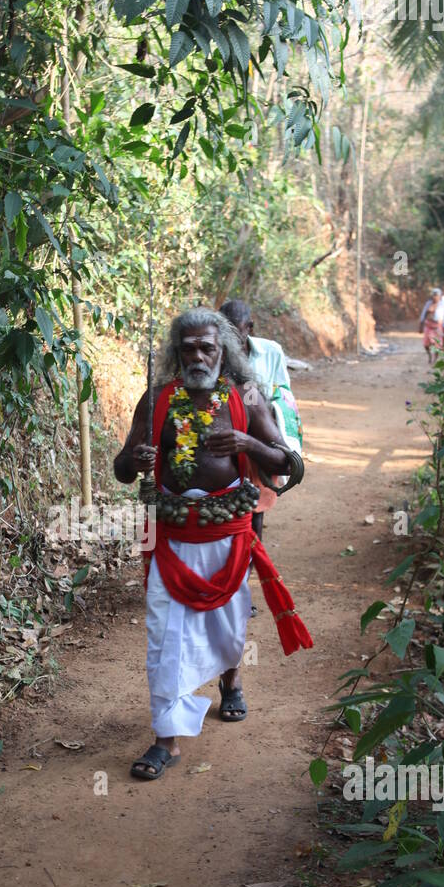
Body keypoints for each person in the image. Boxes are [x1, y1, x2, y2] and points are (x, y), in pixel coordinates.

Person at [113, 307, 312, 781]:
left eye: (208, 347)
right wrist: (135, 459)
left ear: (225, 350)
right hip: (171, 538)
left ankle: (231, 679)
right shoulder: (157, 398)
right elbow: (122, 468)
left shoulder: (246, 396)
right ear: (176, 352)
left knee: (227, 632)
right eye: (189, 348)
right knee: (164, 638)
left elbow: (291, 466)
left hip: (228, 538)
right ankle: (167, 738)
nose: (198, 356)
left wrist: (248, 443)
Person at [218, 298, 303, 542]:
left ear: (250, 327)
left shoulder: (271, 352)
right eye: (226, 330)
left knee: (255, 507)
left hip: (259, 439)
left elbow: (284, 396)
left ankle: (247, 566)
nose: (231, 337)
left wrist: (264, 410)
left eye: (238, 330)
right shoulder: (213, 352)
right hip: (227, 439)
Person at [419, 288, 444, 363]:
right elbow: (423, 314)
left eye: (436, 295)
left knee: (437, 345)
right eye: (434, 295)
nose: (435, 297)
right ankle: (429, 356)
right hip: (428, 326)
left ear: (439, 296)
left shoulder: (442, 305)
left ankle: (435, 359)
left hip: (437, 327)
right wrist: (421, 324)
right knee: (426, 344)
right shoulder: (428, 304)